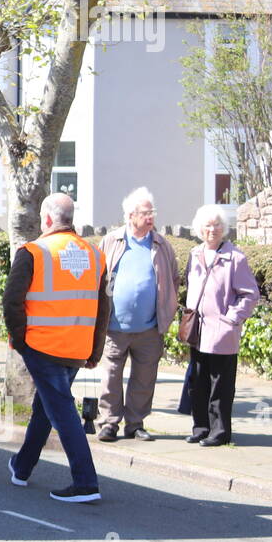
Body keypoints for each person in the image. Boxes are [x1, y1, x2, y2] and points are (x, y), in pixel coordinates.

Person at [5, 193, 112, 503]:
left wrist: (20, 340)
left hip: (42, 346)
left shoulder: (33, 251)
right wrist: (94, 350)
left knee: (62, 412)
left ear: (48, 220)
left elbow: (12, 301)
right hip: (75, 349)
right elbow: (103, 307)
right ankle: (21, 467)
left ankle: (86, 482)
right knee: (47, 407)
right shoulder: (95, 254)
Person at [96, 188, 180, 442]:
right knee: (111, 377)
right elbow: (98, 277)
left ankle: (135, 424)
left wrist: (167, 308)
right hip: (114, 326)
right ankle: (109, 423)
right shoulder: (112, 241)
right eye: (146, 213)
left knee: (144, 378)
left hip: (149, 327)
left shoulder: (161, 245)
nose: (151, 217)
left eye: (152, 212)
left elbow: (173, 279)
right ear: (131, 215)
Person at [183, 204, 259, 447]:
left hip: (222, 332)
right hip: (198, 330)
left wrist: (232, 319)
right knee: (198, 381)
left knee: (221, 385)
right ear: (200, 229)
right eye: (207, 225)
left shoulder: (235, 257)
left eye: (217, 225)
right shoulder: (194, 254)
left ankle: (220, 431)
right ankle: (201, 427)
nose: (212, 229)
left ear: (223, 228)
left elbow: (250, 294)